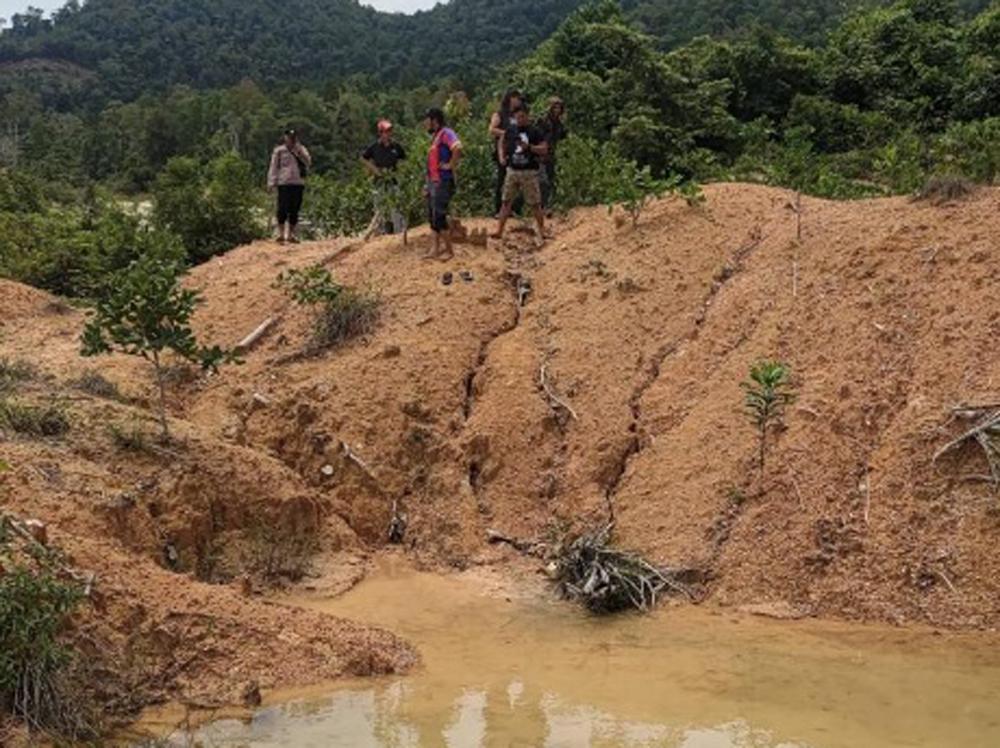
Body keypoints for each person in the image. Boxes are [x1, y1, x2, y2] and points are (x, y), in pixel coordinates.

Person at [491, 105, 548, 244]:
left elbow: (544, 149)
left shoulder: (535, 131)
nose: (520, 119)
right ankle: (499, 230)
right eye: (517, 117)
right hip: (513, 170)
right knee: (506, 202)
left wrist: (530, 148)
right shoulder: (511, 130)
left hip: (529, 171)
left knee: (535, 203)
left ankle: (542, 230)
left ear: (527, 116)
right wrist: (501, 156)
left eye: (522, 116)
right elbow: (502, 141)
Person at [424, 107, 462, 260]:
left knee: (439, 216)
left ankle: (449, 251)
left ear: (435, 121)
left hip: (443, 181)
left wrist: (450, 165)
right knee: (432, 216)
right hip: (433, 182)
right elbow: (430, 164)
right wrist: (426, 185)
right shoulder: (435, 137)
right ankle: (434, 249)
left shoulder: (446, 133)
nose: (425, 124)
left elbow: (457, 147)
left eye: (427, 120)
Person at [361, 119, 407, 236]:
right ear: (380, 133)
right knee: (379, 207)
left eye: (390, 131)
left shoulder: (396, 146)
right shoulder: (374, 147)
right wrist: (374, 170)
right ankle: (380, 233)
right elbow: (363, 158)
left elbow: (404, 159)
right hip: (379, 181)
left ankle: (399, 232)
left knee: (396, 207)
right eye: (386, 131)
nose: (388, 133)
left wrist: (401, 171)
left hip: (393, 180)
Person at [267, 129, 312, 244]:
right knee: (282, 208)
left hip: (298, 182)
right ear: (285, 137)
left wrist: (299, 151)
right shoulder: (279, 151)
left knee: (294, 209)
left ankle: (291, 234)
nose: (291, 140)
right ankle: (281, 234)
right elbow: (274, 166)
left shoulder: (300, 149)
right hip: (284, 182)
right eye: (289, 137)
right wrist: (271, 182)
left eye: (293, 137)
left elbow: (308, 162)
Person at [488, 89, 522, 217]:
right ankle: (498, 210)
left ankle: (512, 209)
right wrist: (506, 134)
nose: (518, 101)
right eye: (516, 98)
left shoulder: (518, 115)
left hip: (517, 151)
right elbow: (491, 129)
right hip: (503, 149)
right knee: (502, 180)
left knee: (516, 181)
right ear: (510, 98)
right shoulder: (500, 114)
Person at [537, 97, 567, 214]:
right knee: (542, 181)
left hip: (551, 154)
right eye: (555, 107)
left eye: (559, 107)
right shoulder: (542, 121)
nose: (557, 110)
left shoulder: (559, 123)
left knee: (551, 181)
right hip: (540, 154)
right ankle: (540, 207)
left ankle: (547, 207)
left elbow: (563, 136)